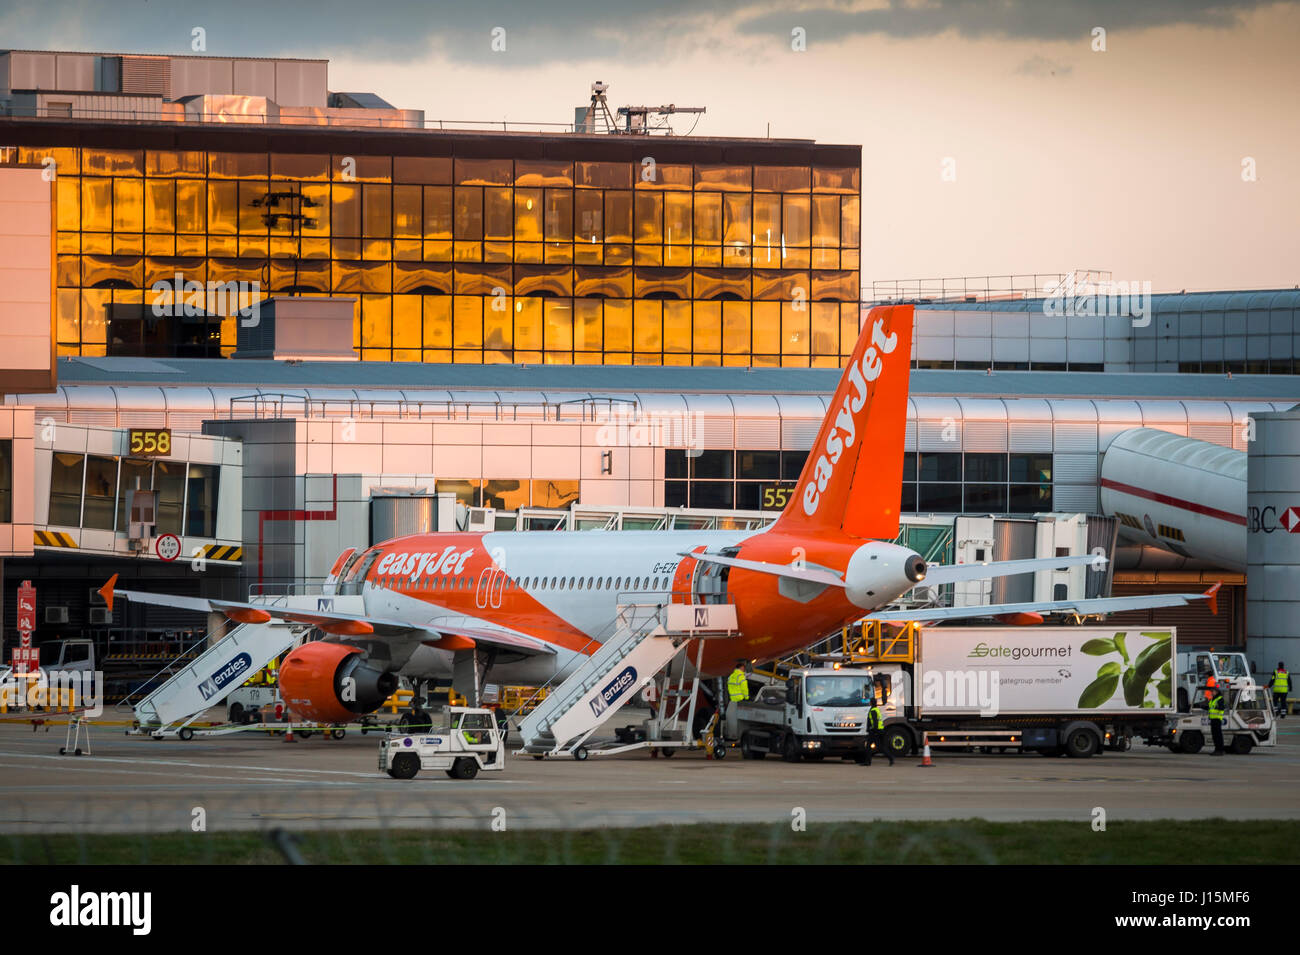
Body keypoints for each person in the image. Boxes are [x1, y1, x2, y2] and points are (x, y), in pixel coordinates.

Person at [723, 660, 749, 742]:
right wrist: (747, 697)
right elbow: (744, 688)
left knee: (731, 717)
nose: (744, 670)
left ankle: (731, 734)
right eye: (744, 668)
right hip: (740, 700)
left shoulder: (731, 676)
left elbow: (729, 687)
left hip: (733, 699)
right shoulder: (741, 676)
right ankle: (738, 736)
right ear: (741, 668)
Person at [864, 695, 894, 766]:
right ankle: (890, 758)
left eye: (869, 702)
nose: (869, 703)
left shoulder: (873, 711)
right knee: (880, 747)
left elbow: (875, 722)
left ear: (871, 703)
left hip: (875, 731)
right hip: (879, 730)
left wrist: (873, 730)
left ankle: (868, 762)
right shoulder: (876, 709)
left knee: (870, 747)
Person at [1208, 686, 1227, 755]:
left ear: (1216, 692)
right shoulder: (1213, 699)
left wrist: (1218, 707)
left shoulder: (1219, 699)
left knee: (1218, 736)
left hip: (1217, 719)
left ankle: (1220, 750)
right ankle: (1217, 749)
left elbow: (1222, 707)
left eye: (1212, 691)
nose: (1211, 693)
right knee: (1215, 736)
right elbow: (1210, 708)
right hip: (1213, 719)